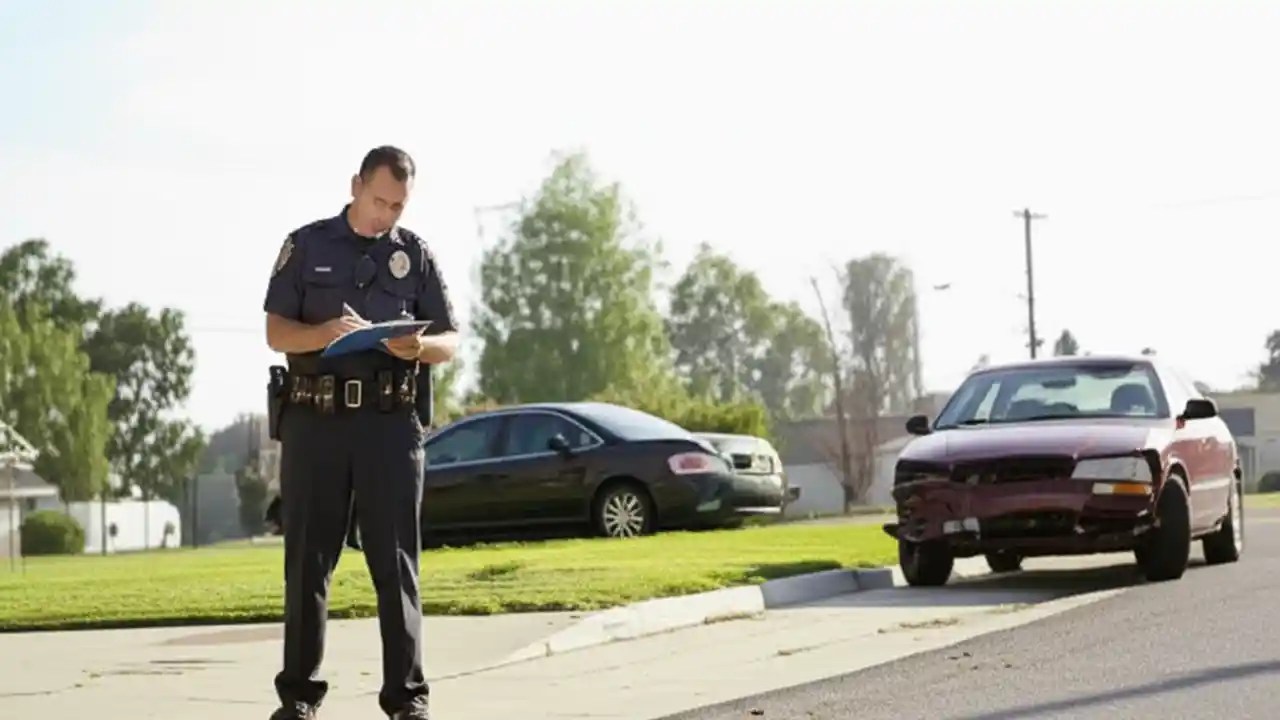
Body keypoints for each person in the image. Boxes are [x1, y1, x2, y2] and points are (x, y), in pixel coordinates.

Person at [262, 145, 458, 720]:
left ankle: (407, 700)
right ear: (355, 186)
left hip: (389, 425)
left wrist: (418, 347)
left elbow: (450, 340)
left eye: (397, 206)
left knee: (396, 564)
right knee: (307, 563)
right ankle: (299, 699)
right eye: (379, 201)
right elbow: (276, 332)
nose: (386, 215)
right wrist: (324, 333)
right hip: (316, 422)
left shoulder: (414, 253)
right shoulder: (307, 245)